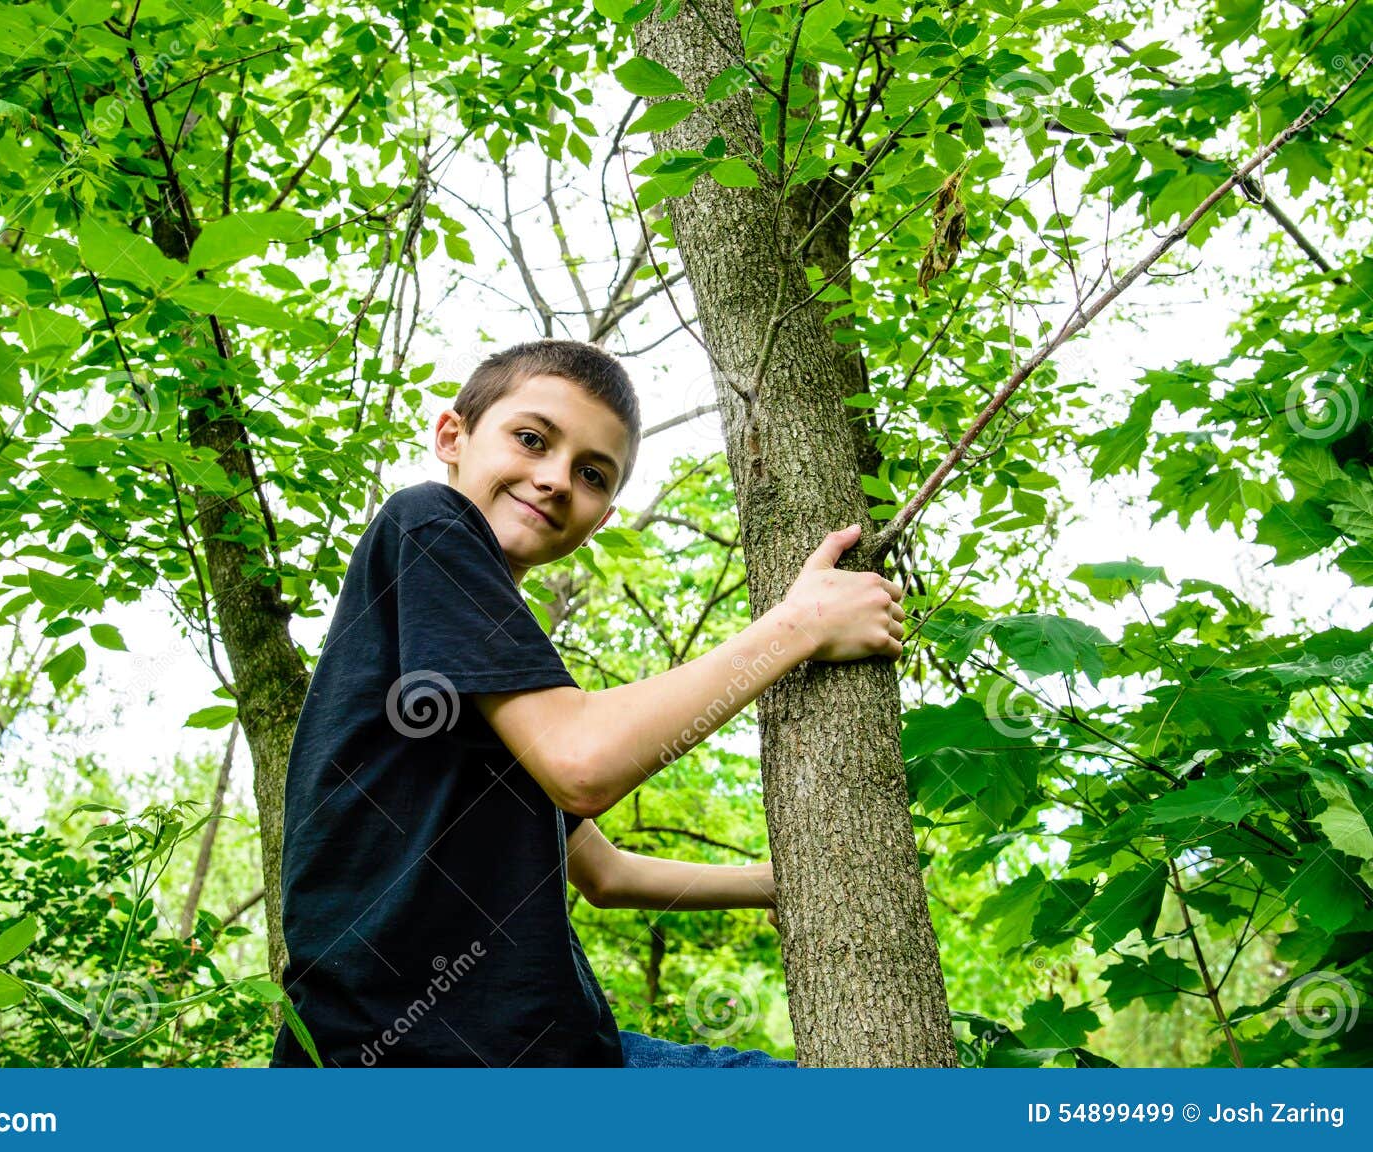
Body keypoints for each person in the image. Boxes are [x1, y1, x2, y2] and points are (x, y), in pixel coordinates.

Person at [269, 339, 905, 1068]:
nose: (555, 480)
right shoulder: (427, 522)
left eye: (592, 474)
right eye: (532, 439)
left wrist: (779, 880)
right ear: (452, 436)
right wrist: (799, 626)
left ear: (601, 517)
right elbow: (582, 762)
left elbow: (604, 875)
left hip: (553, 1052)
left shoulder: (493, 675)